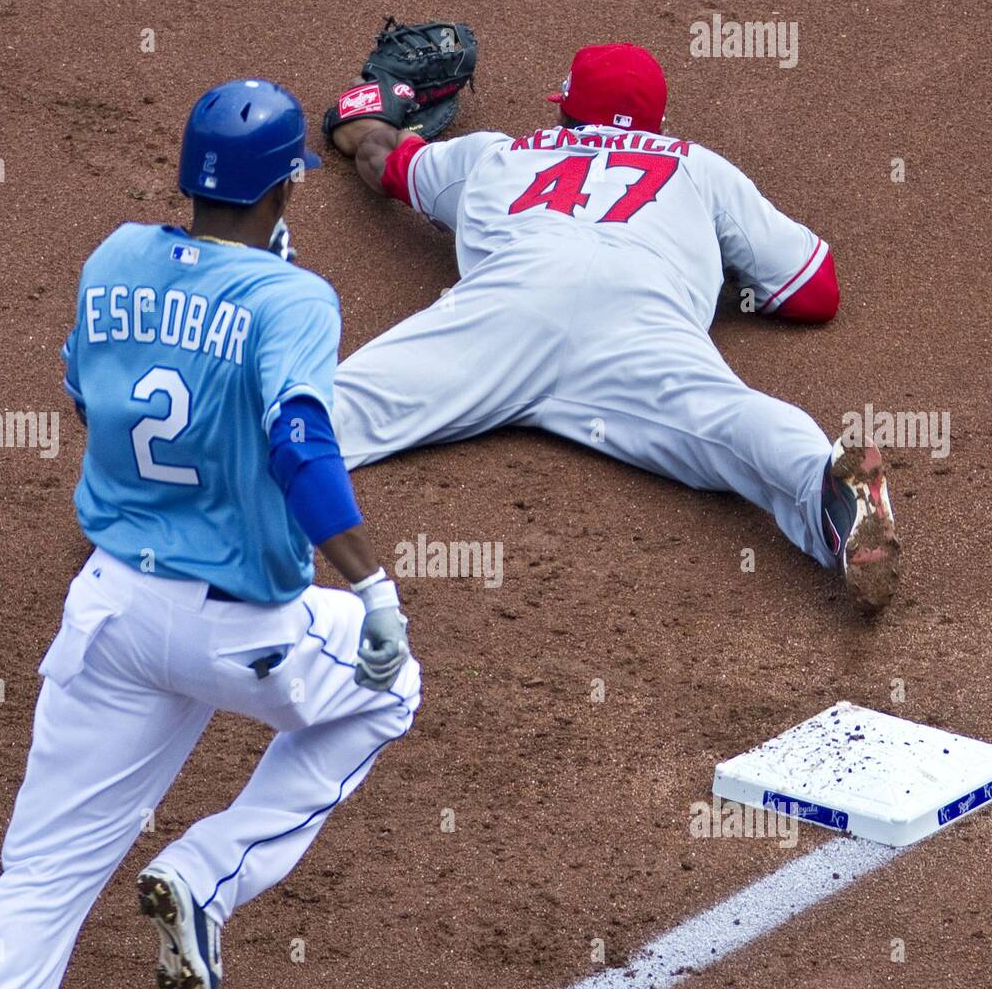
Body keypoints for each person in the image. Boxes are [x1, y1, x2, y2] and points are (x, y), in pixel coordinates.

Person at [0, 79, 420, 989]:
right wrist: (371, 586)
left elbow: (93, 397)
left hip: (112, 618)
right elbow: (301, 440)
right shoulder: (295, 299)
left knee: (40, 877)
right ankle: (208, 871)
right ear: (284, 187)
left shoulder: (113, 260)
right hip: (247, 631)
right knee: (391, 689)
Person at [324, 41, 900, 610]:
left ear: (563, 109)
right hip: (641, 318)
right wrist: (719, 269)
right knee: (729, 420)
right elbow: (815, 293)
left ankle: (246, 453)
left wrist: (374, 118)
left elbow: (384, 166)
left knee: (336, 411)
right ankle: (823, 487)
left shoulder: (498, 155)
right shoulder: (697, 166)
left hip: (512, 307)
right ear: (660, 123)